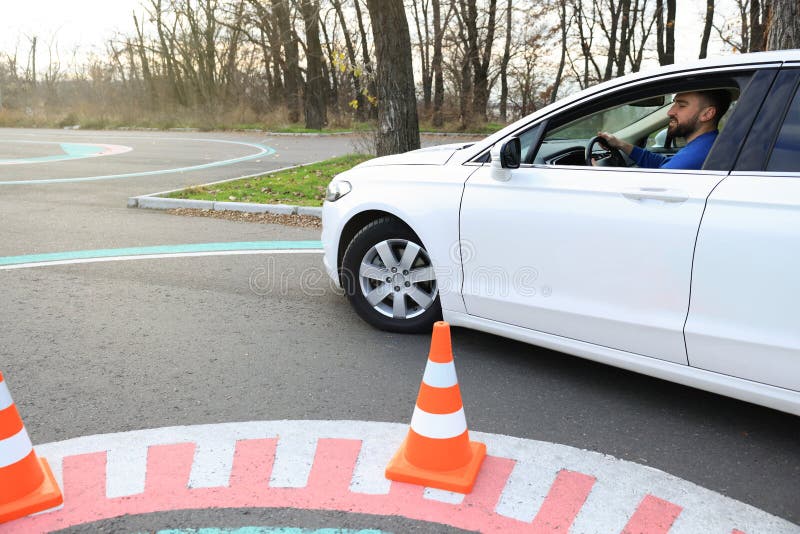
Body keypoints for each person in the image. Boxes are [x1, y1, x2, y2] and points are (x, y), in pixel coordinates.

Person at [597, 89, 732, 170]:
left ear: (707, 114)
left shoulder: (695, 156)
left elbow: (644, 192)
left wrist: (600, 178)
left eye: (681, 105)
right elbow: (664, 163)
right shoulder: (706, 145)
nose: (670, 112)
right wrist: (621, 144)